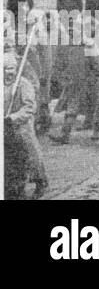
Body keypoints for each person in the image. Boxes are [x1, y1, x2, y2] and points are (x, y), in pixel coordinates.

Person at [4, 54, 47, 199]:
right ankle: (14, 187)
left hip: (22, 126)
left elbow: (29, 108)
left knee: (31, 155)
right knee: (11, 159)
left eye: (11, 69)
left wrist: (13, 117)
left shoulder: (23, 84)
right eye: (4, 69)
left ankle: (40, 181)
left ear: (16, 69)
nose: (8, 72)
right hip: (6, 127)